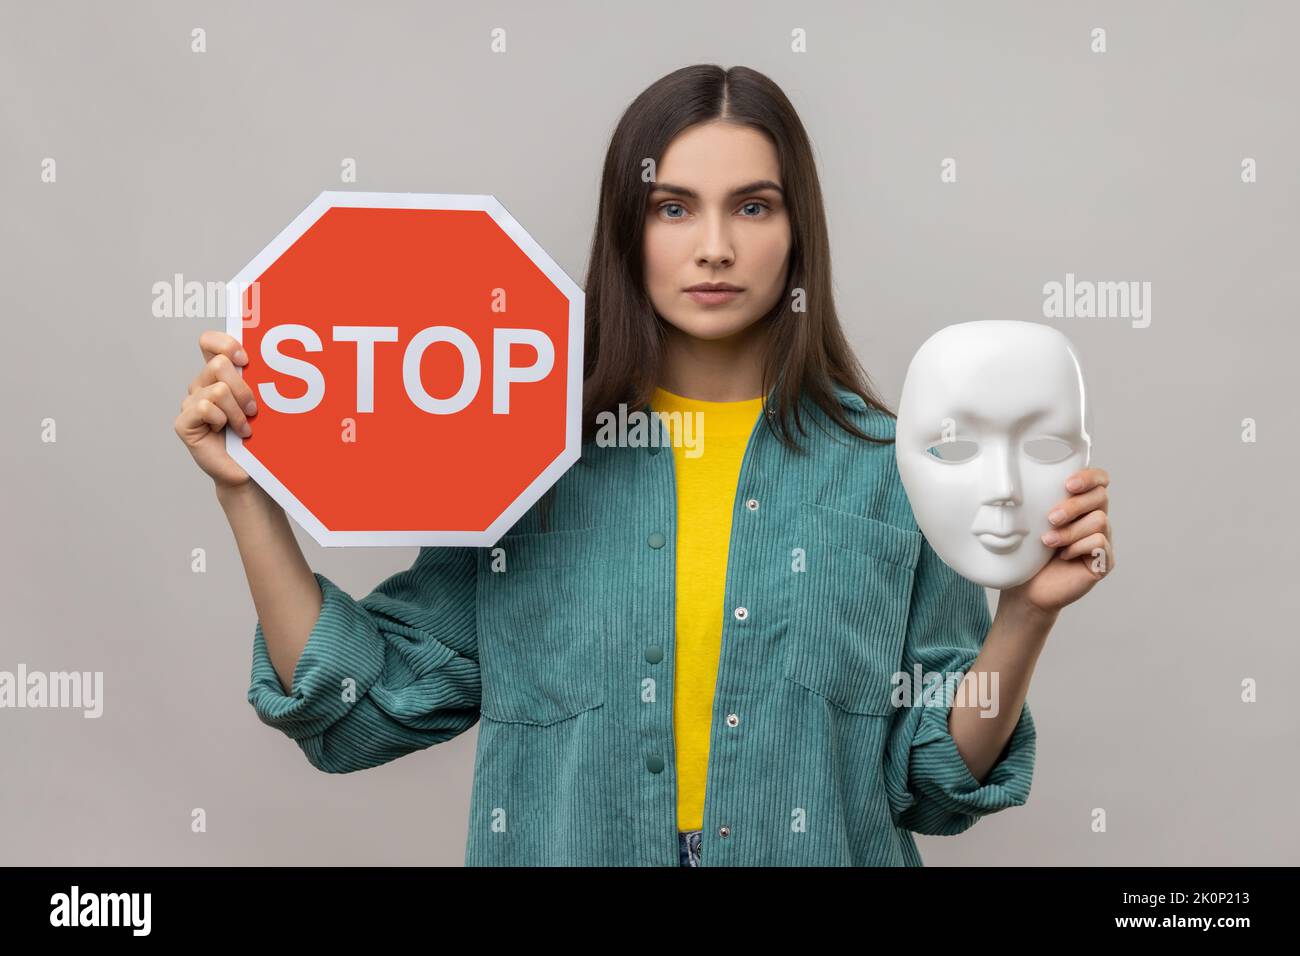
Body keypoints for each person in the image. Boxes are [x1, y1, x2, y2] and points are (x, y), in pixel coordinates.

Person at [173, 64, 1114, 867]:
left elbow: (932, 783)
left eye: (753, 205)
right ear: (630, 229)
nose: (715, 246)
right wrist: (249, 494)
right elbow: (358, 708)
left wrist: (1026, 613)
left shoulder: (892, 470)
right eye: (674, 207)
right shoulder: (527, 461)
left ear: (798, 232)